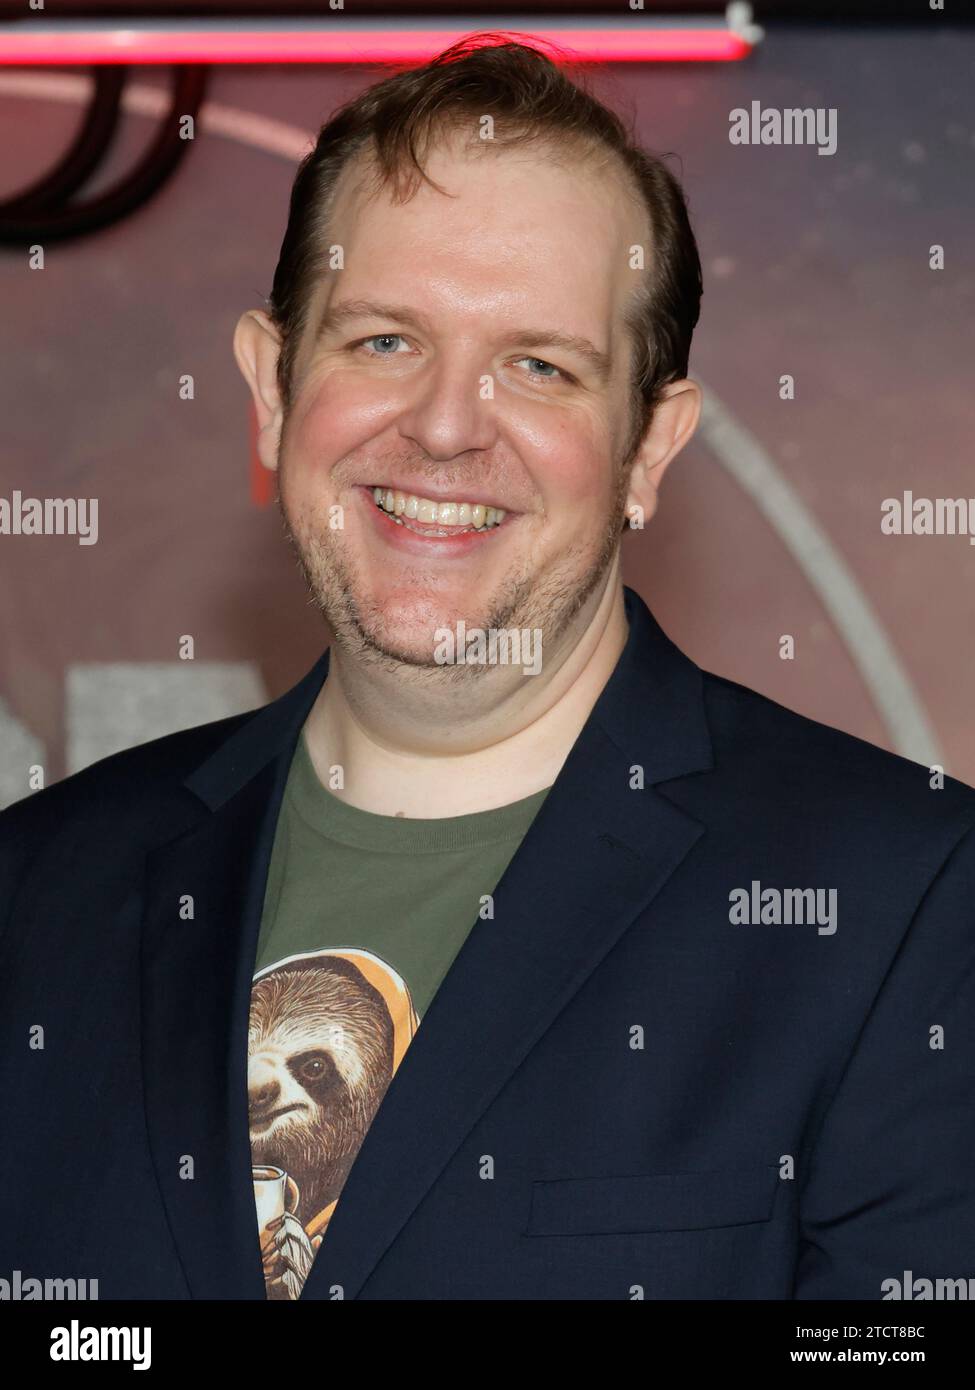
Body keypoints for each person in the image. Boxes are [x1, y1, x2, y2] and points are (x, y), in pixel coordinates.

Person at [1, 33, 973, 1302]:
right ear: (270, 388)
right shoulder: (36, 898)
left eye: (540, 365)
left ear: (647, 449)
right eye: (385, 341)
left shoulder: (909, 908)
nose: (449, 425)